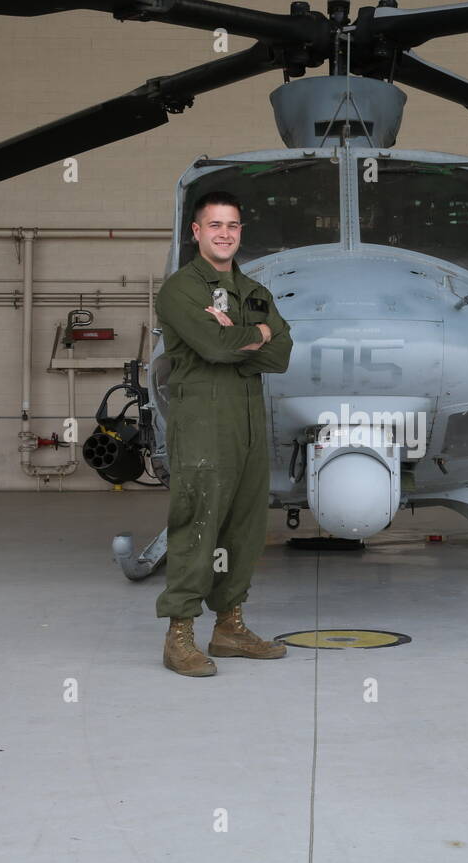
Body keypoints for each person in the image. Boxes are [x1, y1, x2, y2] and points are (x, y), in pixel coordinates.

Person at [153, 190, 294, 677]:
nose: (224, 234)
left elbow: (282, 355)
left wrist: (241, 334)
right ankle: (179, 635)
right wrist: (258, 334)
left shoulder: (254, 291)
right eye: (215, 225)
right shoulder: (179, 290)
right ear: (196, 232)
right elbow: (213, 349)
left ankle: (230, 627)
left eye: (232, 226)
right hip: (204, 425)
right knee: (198, 524)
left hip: (251, 424)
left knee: (246, 527)